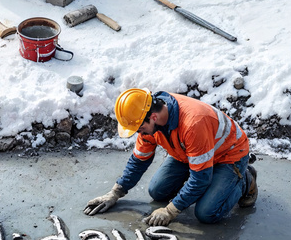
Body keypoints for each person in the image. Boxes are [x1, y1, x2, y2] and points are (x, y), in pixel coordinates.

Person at [84, 89, 257, 226]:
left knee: (206, 213)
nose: (139, 133)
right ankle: (206, 183)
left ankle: (245, 180)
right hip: (189, 153)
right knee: (157, 191)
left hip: (228, 155)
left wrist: (170, 210)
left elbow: (201, 179)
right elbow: (139, 160)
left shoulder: (193, 124)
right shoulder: (150, 119)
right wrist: (115, 192)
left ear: (153, 117)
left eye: (139, 129)